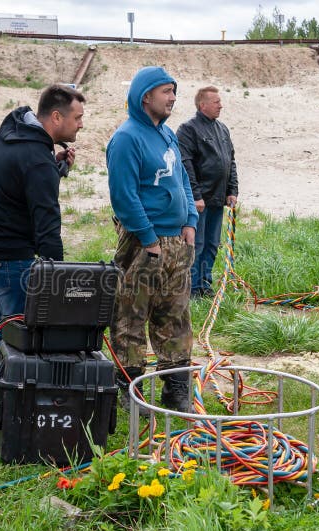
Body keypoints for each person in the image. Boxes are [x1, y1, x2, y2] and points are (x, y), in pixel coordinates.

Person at [0, 84, 85, 359]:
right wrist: (58, 278)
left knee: (3, 327)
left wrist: (54, 169)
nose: (81, 124)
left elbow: (20, 180)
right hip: (5, 259)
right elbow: (47, 227)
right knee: (21, 335)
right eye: (77, 118)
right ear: (56, 117)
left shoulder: (14, 130)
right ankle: (10, 384)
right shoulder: (38, 161)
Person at [106, 66, 198, 413]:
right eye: (166, 92)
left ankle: (176, 392)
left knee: (175, 315)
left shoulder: (167, 135)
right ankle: (131, 395)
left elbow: (182, 180)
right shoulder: (126, 138)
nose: (173, 98)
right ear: (146, 97)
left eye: (174, 91)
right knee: (131, 316)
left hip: (177, 241)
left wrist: (190, 221)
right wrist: (148, 238)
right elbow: (124, 195)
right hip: (144, 243)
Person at [176, 86, 239, 298]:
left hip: (217, 199)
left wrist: (232, 190)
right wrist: (195, 196)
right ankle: (192, 288)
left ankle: (205, 284)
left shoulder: (222, 129)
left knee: (212, 244)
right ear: (203, 105)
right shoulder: (188, 130)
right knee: (197, 244)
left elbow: (230, 161)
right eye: (216, 102)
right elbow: (185, 165)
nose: (221, 105)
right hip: (199, 201)